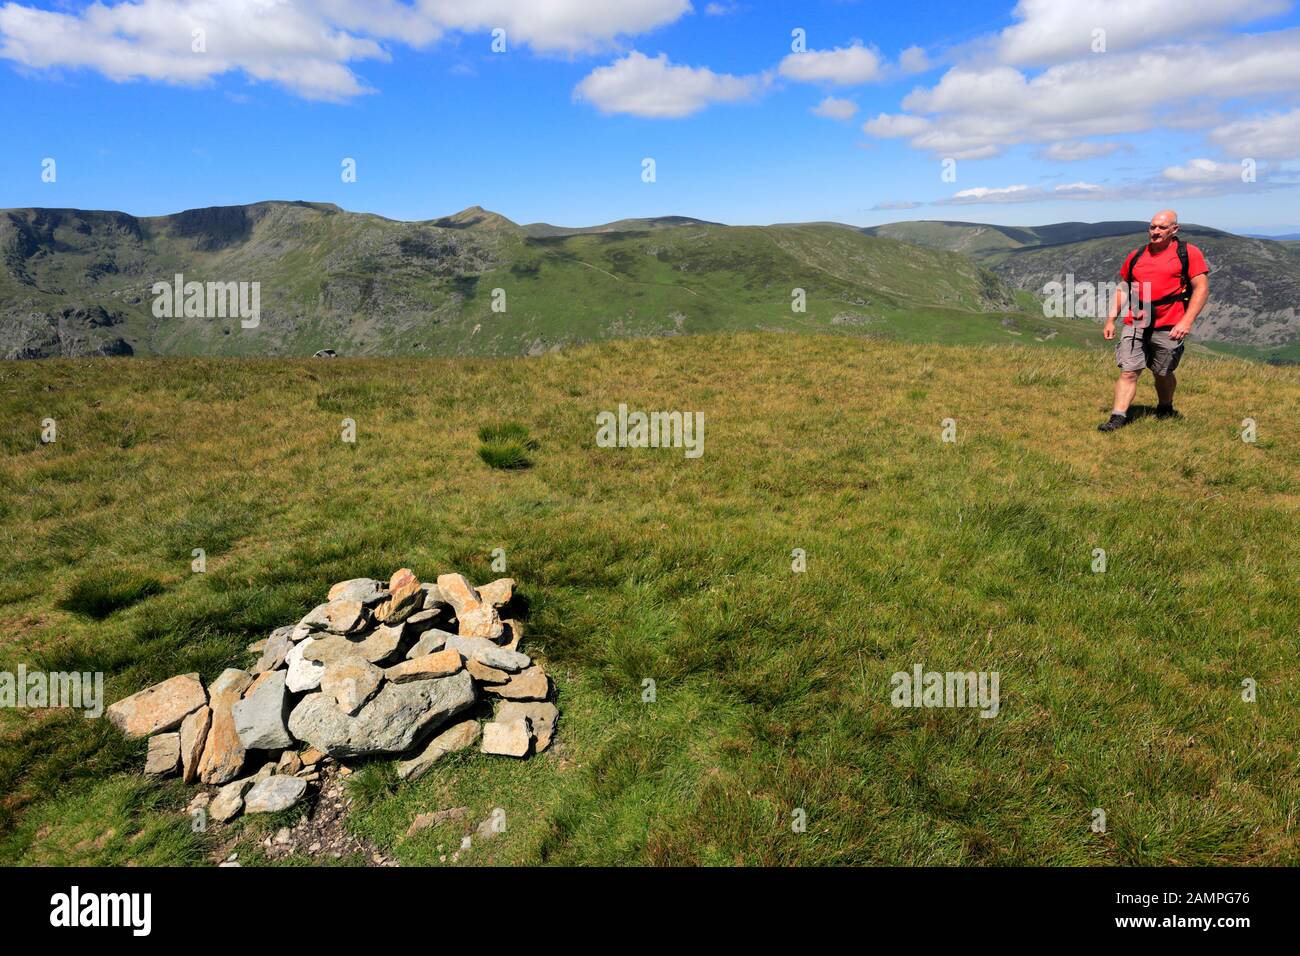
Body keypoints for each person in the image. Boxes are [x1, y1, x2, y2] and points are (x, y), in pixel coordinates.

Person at [1098, 210, 1209, 432]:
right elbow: (1124, 287)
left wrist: (1186, 322)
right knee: (1129, 371)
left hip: (1170, 324)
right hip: (1136, 321)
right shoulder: (1137, 255)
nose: (1155, 232)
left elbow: (1201, 288)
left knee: (1162, 372)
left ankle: (1165, 407)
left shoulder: (1188, 253)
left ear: (1174, 229)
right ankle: (1117, 417)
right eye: (1152, 227)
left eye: (1162, 227)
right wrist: (1111, 320)